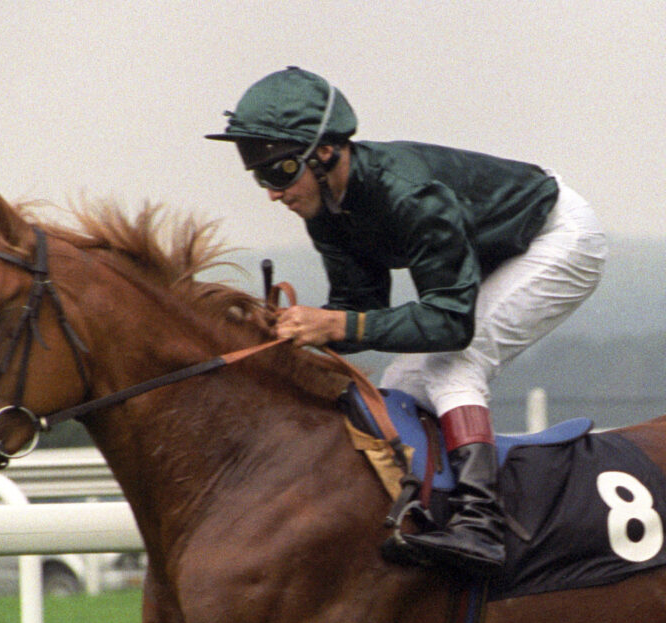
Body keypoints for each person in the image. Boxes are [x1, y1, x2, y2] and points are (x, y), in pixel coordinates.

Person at [208, 66, 607, 576]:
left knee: (452, 367)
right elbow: (362, 311)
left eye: (281, 172)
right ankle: (427, 512)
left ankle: (480, 523)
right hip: (494, 252)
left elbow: (450, 324)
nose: (272, 193)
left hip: (557, 239)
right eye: (261, 176)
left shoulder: (410, 194)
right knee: (400, 383)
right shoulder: (326, 213)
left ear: (326, 151)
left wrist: (332, 326)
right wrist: (292, 331)